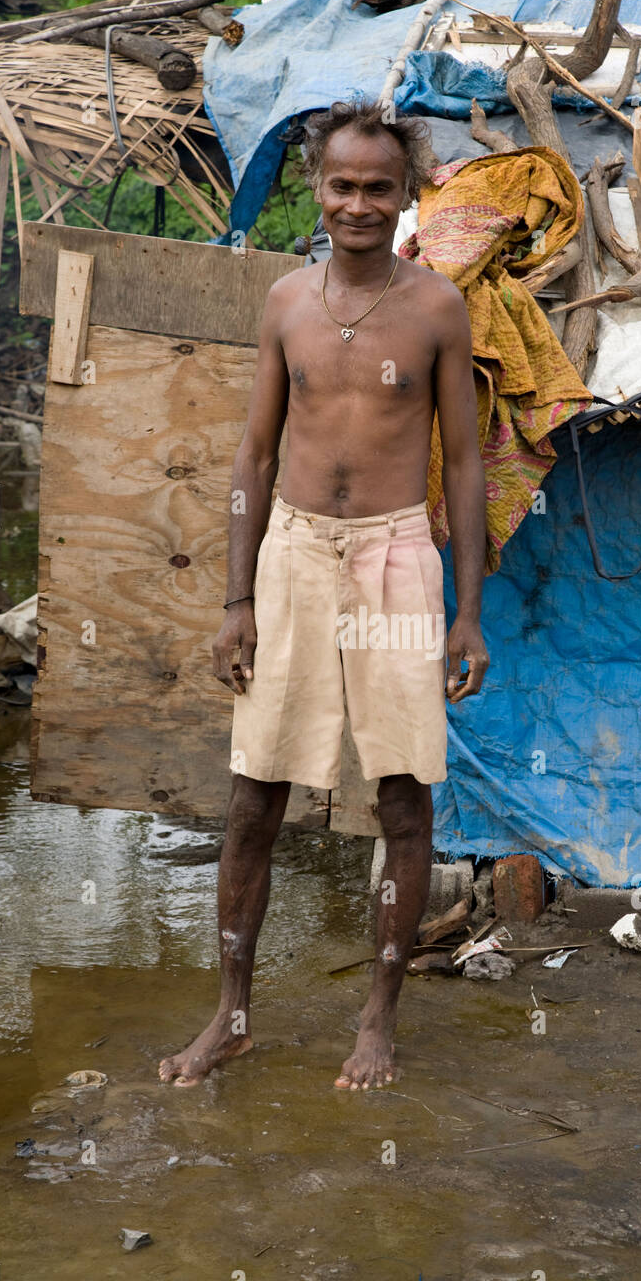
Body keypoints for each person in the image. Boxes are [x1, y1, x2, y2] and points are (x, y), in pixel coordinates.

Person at [159, 99, 489, 1091]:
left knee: (401, 795)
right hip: (293, 556)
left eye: (376, 187)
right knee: (254, 794)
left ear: (402, 197)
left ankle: (378, 1020)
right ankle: (232, 1012)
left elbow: (465, 465)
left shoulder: (434, 307)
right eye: (340, 184)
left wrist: (467, 610)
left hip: (393, 556)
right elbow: (254, 453)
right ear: (317, 189)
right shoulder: (286, 303)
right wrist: (234, 598)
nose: (356, 202)